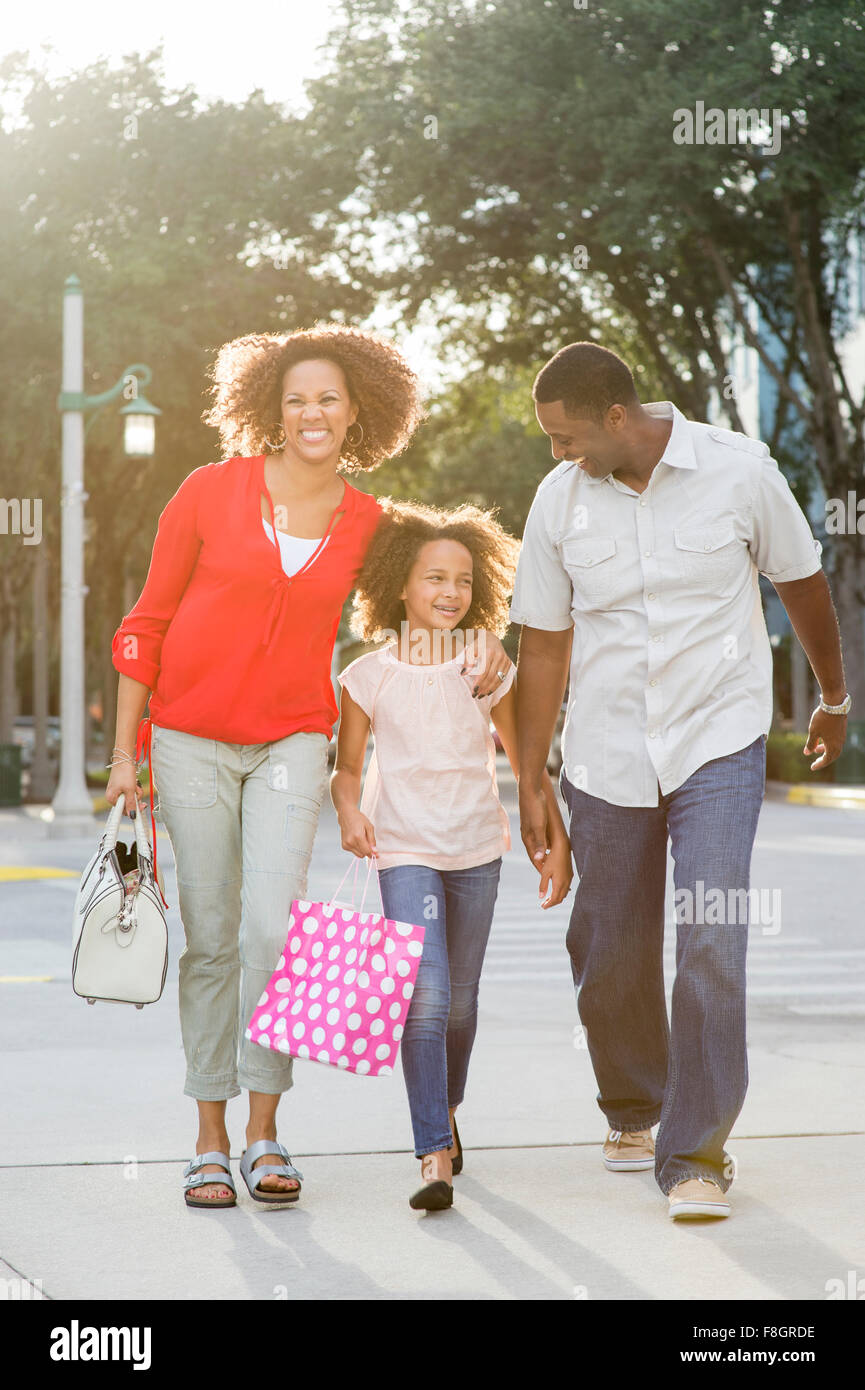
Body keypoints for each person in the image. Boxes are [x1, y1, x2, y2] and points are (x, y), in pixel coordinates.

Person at [106, 325, 511, 1209]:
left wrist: (484, 645)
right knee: (212, 938)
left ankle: (264, 1132)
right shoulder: (210, 492)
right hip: (188, 738)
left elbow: (439, 581)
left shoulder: (370, 523)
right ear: (269, 408)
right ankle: (209, 1137)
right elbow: (147, 621)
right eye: (295, 398)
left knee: (269, 933)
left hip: (293, 739)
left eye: (328, 397)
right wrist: (122, 753)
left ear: (358, 409)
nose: (311, 412)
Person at [511, 341, 849, 1221]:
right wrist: (530, 779)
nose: (558, 453)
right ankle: (633, 1105)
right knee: (606, 947)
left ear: (617, 417)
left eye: (566, 435)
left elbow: (801, 579)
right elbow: (542, 643)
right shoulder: (558, 501)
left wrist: (833, 695)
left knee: (710, 933)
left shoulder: (738, 470)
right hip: (603, 749)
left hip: (718, 737)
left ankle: (695, 1152)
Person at [331, 499, 573, 1210]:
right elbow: (347, 770)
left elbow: (522, 757)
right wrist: (349, 808)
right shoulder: (366, 675)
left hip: (474, 845)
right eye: (434, 578)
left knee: (460, 1003)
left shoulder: (481, 662)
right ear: (398, 586)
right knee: (425, 994)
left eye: (463, 581)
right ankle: (432, 1151)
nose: (449, 592)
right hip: (401, 845)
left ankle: (448, 1108)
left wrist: (545, 831)